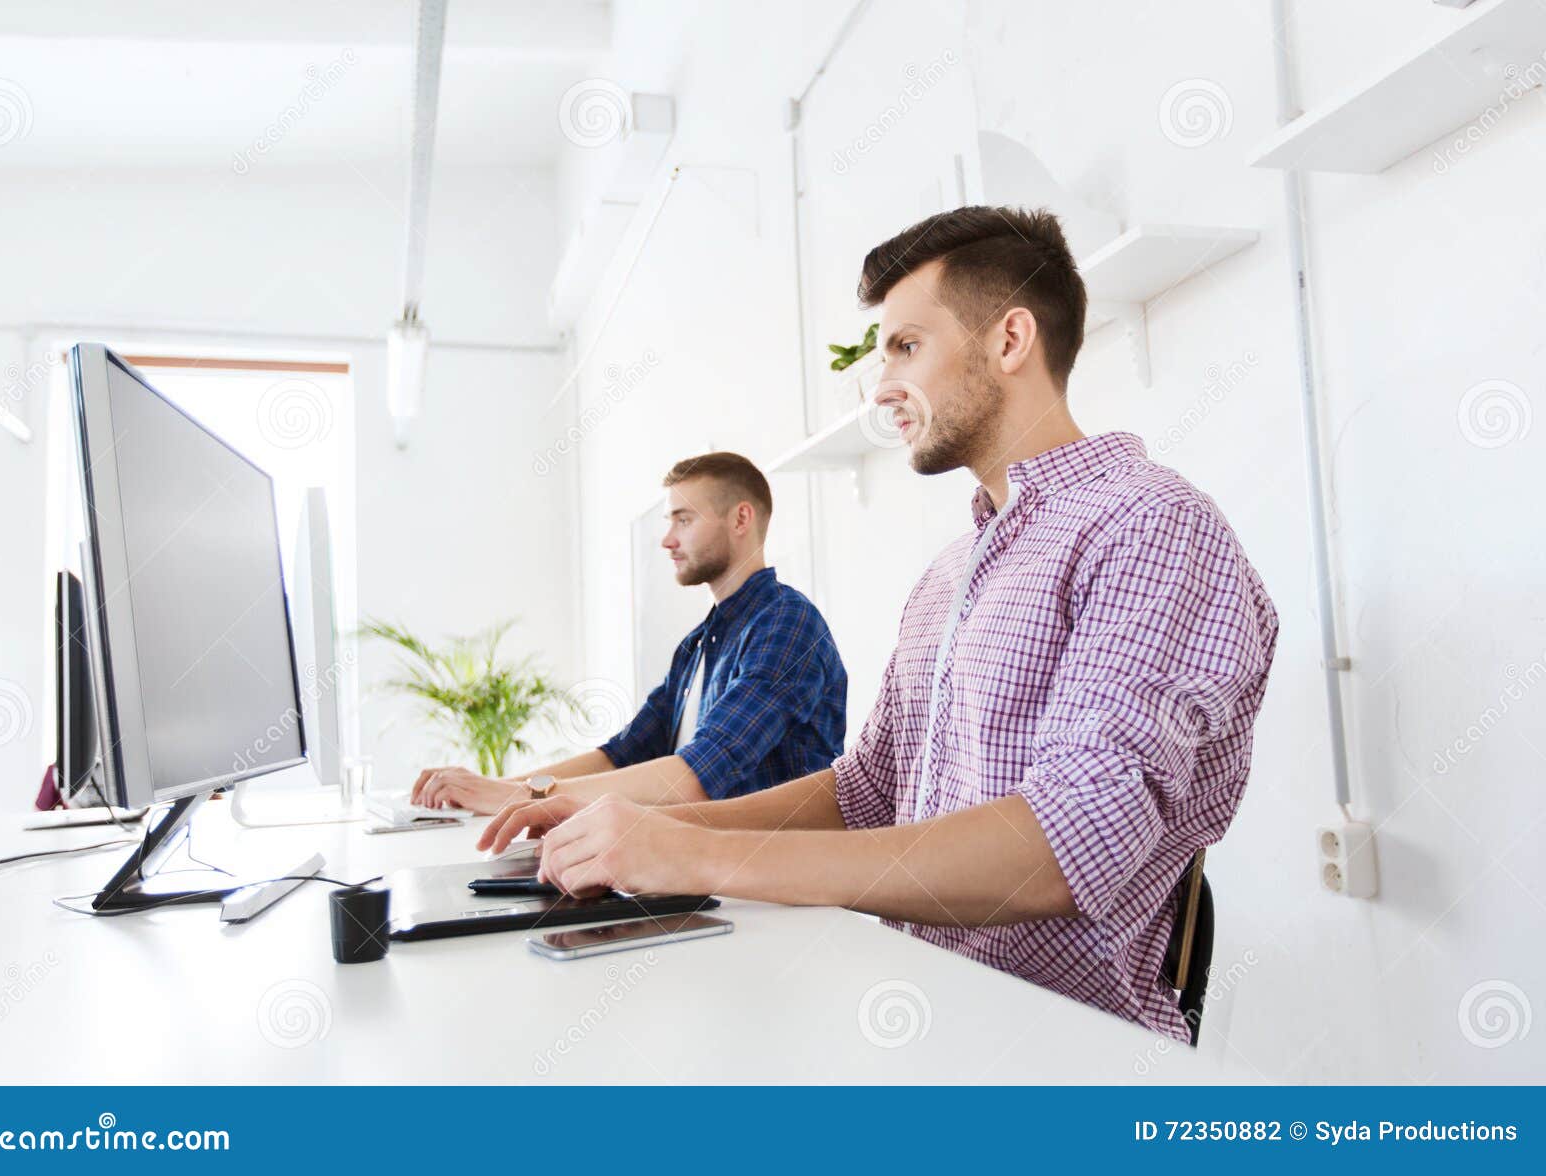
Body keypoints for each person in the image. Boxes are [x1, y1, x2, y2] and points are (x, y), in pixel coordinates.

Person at [477, 206, 1280, 1041]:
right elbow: (866, 792)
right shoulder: (950, 573)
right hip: (909, 1004)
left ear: (1010, 341)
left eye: (906, 347)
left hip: (1049, 1051)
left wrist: (699, 857)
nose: (881, 386)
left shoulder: (1149, 527)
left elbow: (1061, 846)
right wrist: (644, 830)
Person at [412, 451, 848, 813]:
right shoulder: (697, 644)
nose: (666, 540)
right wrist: (495, 789)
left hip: (777, 894)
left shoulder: (787, 624)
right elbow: (620, 755)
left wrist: (523, 798)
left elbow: (701, 772)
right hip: (705, 877)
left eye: (683, 520)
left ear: (740, 520)